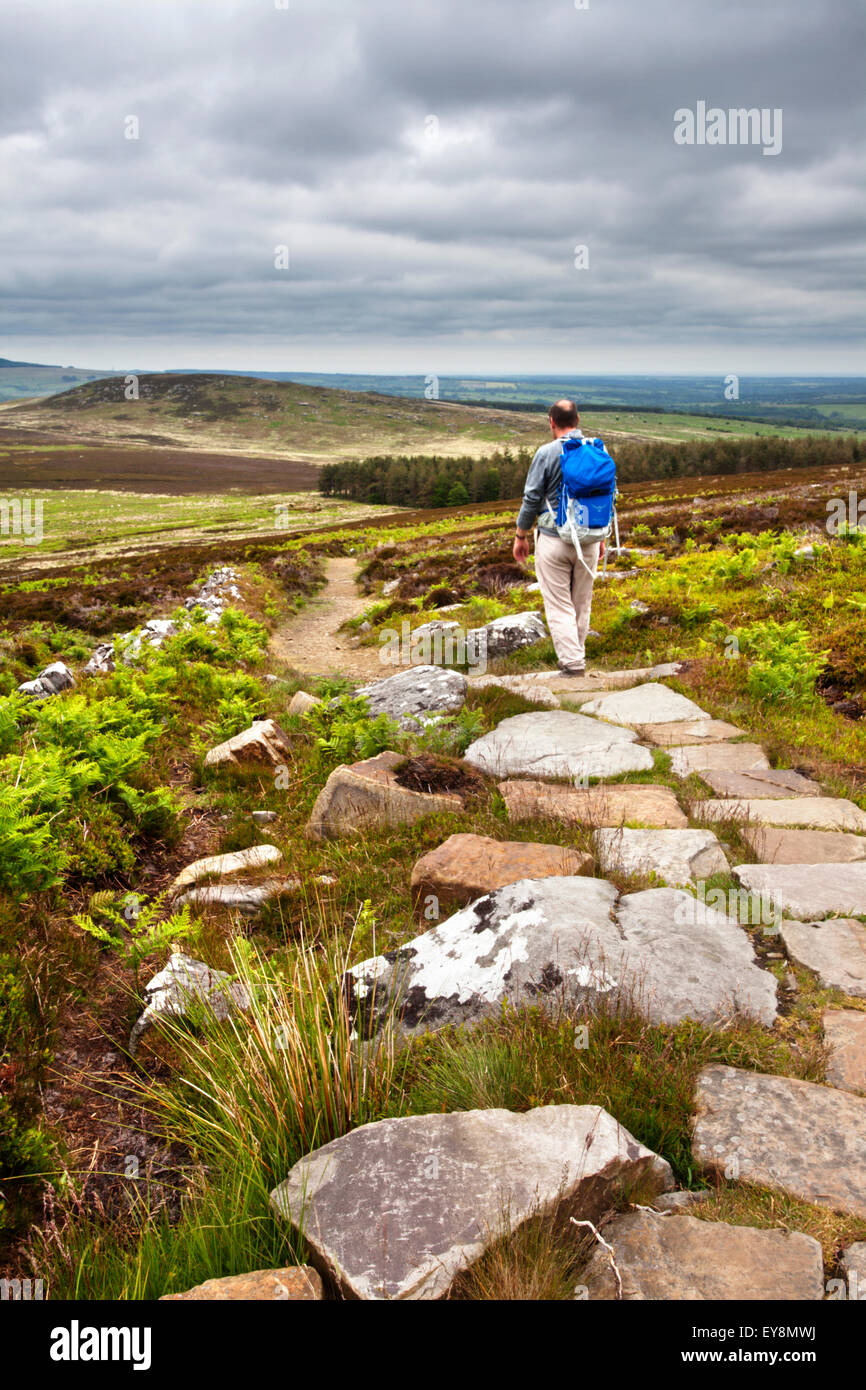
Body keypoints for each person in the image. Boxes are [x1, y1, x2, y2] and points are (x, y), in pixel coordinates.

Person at [513, 399, 605, 677]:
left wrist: (521, 535)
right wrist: (600, 536)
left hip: (554, 539)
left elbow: (531, 499)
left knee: (558, 603)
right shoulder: (598, 450)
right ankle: (576, 655)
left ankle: (573, 663)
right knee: (581, 602)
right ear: (578, 420)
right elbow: (602, 496)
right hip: (589, 538)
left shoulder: (546, 453)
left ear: (551, 422)